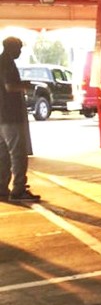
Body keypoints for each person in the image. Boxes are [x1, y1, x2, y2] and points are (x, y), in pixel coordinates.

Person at [0, 37, 40, 202]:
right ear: (12, 48)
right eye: (19, 49)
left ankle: (1, 187)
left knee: (3, 154)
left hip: (1, 116)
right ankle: (18, 188)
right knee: (18, 154)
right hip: (11, 115)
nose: (20, 52)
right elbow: (10, 86)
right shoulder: (8, 63)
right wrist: (27, 86)